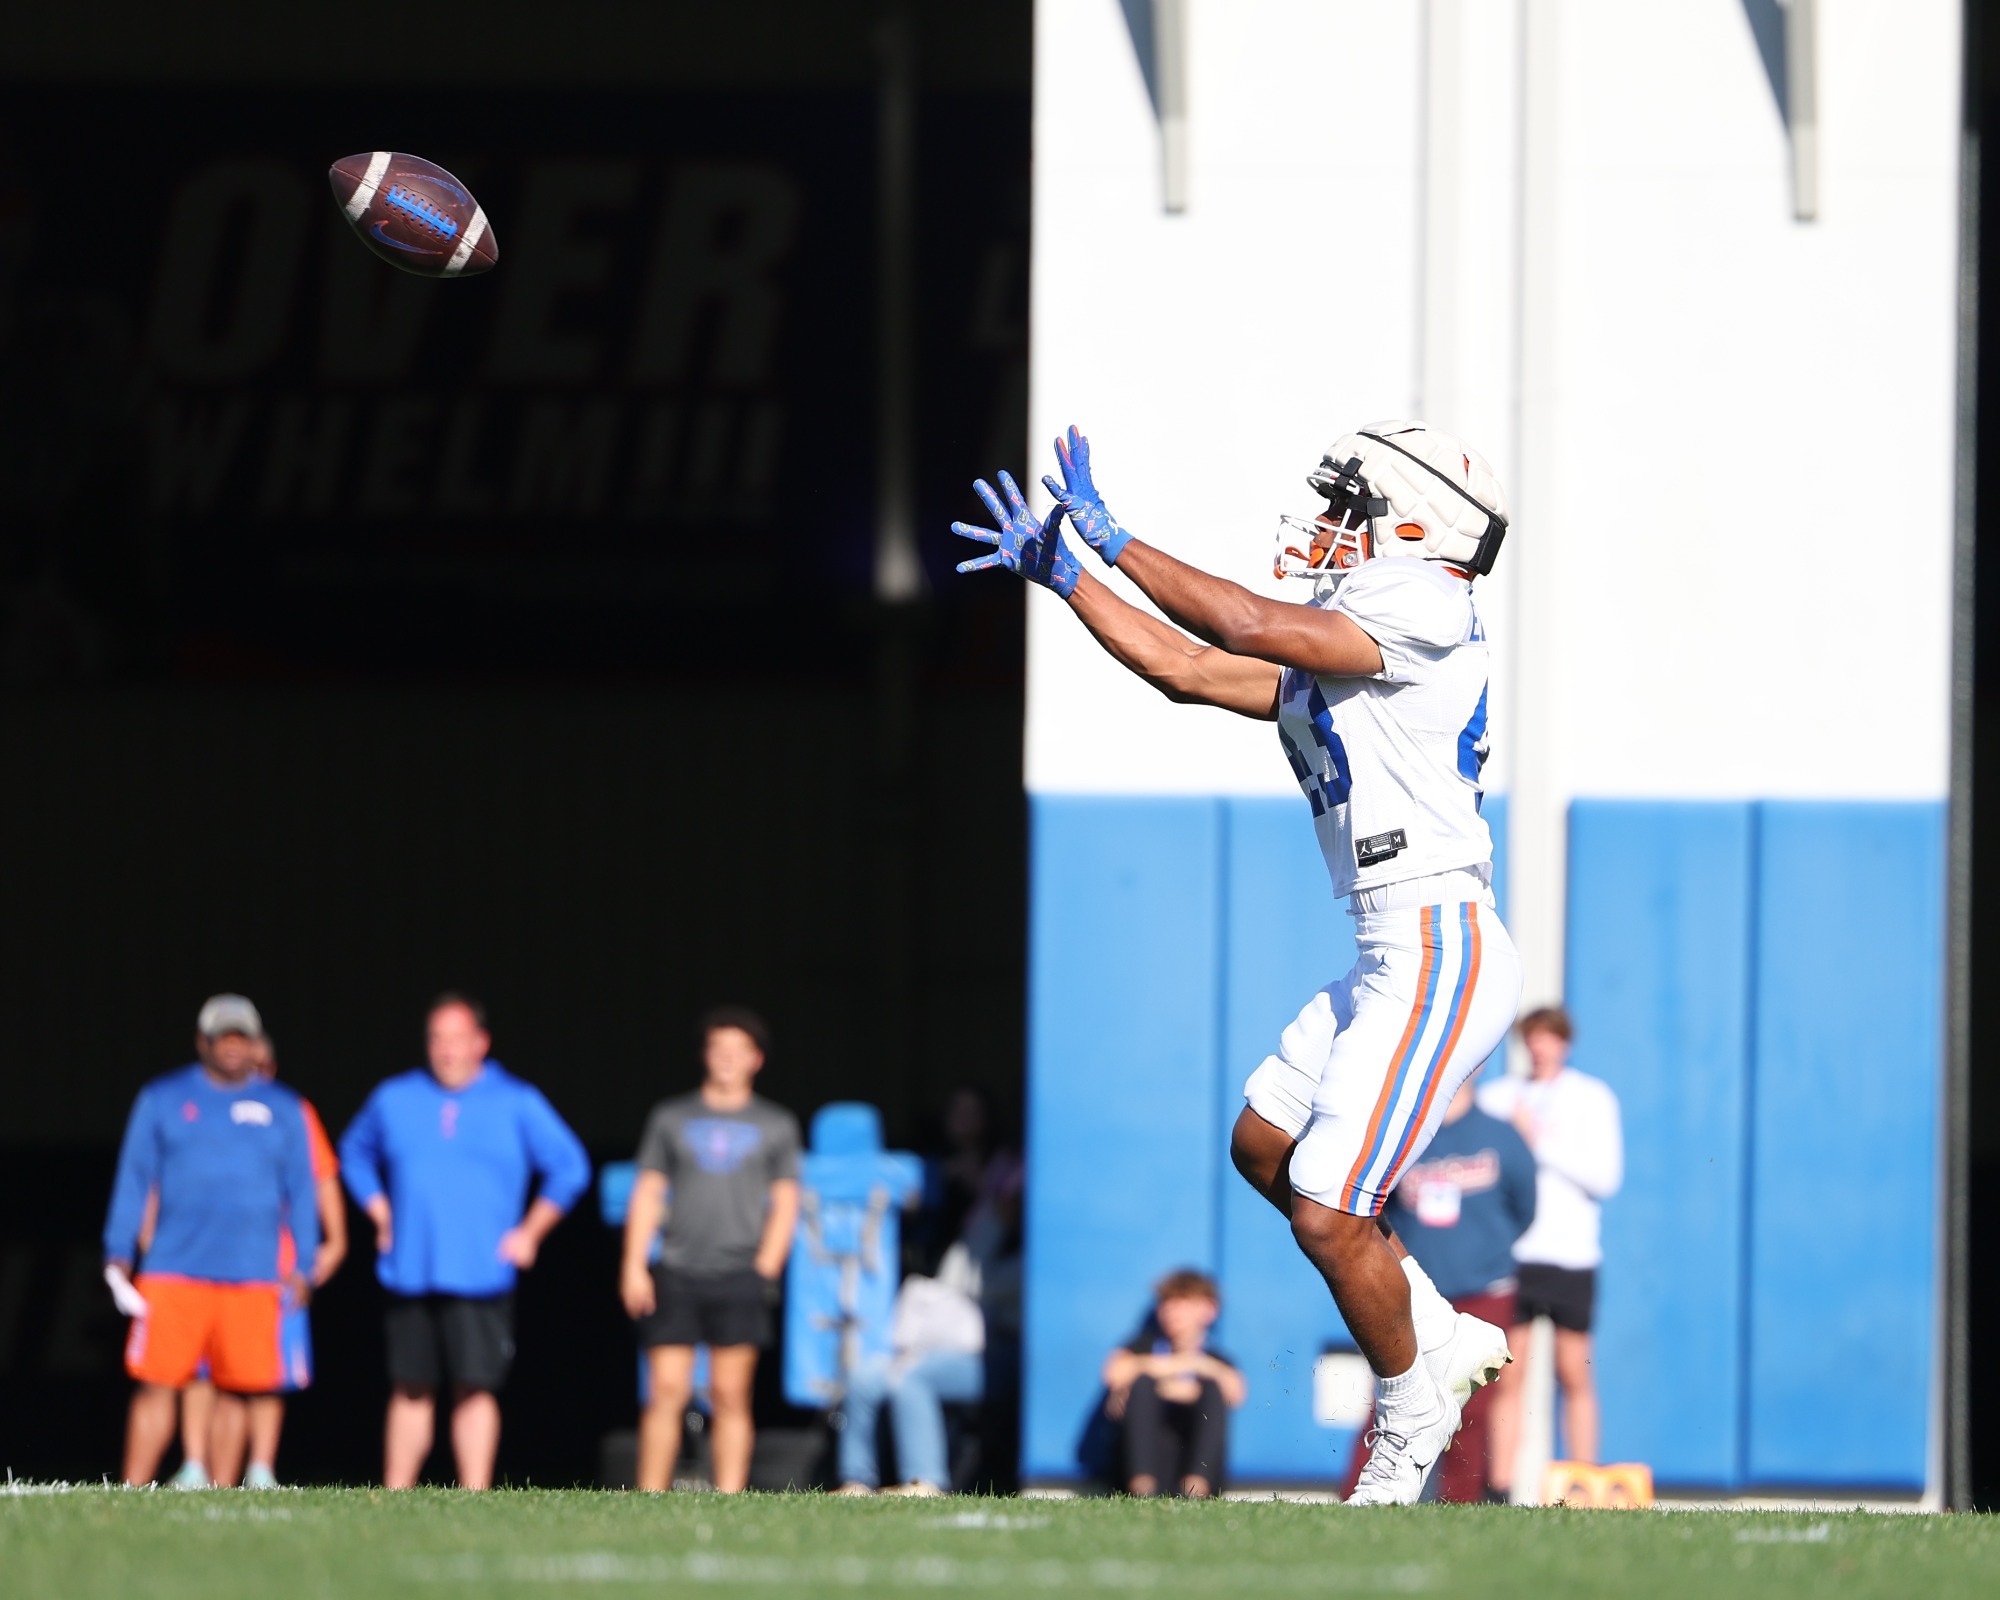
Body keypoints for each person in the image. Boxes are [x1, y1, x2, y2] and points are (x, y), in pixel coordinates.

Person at [953, 422, 1524, 1504]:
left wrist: (1117, 540)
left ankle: (1410, 1413)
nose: (1327, 523)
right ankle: (1433, 1328)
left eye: (1350, 506)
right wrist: (1069, 577)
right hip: (1382, 944)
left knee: (1322, 1204)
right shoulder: (1355, 649)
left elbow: (1246, 620)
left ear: (1417, 525)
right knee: (1263, 1146)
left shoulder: (1427, 602)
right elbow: (1189, 666)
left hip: (1437, 939)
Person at [339, 993, 590, 1490]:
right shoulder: (395, 1097)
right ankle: (397, 1493)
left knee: (474, 1389)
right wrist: (379, 1208)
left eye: (458, 1039)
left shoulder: (516, 1100)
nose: (447, 1050)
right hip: (411, 1268)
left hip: (480, 1272)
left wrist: (530, 1232)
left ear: (481, 1043)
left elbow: (570, 1167)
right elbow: (353, 1152)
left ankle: (474, 1493)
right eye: (437, 1039)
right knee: (410, 1387)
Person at [101, 995, 320, 1487]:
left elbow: (304, 1191)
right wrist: (118, 1254)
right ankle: (130, 1492)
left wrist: (305, 1264)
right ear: (204, 1042)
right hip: (173, 1269)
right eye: (224, 1037)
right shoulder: (163, 1098)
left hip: (253, 1272)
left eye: (242, 1037)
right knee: (157, 1384)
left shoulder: (284, 1108)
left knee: (239, 1389)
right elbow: (134, 1179)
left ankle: (221, 1503)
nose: (234, 1047)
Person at [144, 1034, 348, 1489]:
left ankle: (257, 1469)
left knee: (258, 1378)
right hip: (210, 1264)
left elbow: (322, 1185)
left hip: (272, 1270)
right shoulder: (200, 1111)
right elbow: (165, 1179)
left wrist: (319, 1260)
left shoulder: (291, 1113)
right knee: (203, 1370)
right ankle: (196, 1465)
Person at [619, 1007, 801, 1493]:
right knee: (666, 1392)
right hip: (677, 1269)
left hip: (739, 1271)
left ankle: (730, 1497)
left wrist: (766, 1265)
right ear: (705, 1055)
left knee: (730, 1393)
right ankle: (650, 1496)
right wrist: (635, 1266)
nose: (727, 1060)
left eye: (738, 1051)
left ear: (756, 1060)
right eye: (719, 1049)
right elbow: (648, 1192)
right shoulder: (671, 1118)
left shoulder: (776, 1124)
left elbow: (787, 1201)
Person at [1478, 1005, 1624, 1488]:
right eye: (1533, 1038)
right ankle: (1500, 1488)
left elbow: (1605, 1177)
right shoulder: (1499, 1098)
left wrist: (1536, 1143)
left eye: (1550, 1038)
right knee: (1508, 1377)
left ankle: (1584, 1482)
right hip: (1513, 1255)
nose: (1541, 1048)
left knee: (1574, 1371)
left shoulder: (1592, 1098)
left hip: (1570, 1256)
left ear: (1564, 1044)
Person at [1377, 1077, 1536, 1501]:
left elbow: (1525, 1207)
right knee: (1395, 1392)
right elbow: (1379, 1210)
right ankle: (1372, 1499)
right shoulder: (1403, 1136)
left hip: (1484, 1288)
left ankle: (1460, 1503)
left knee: (1474, 1404)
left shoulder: (1500, 1135)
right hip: (1416, 1294)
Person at [1100, 1270, 1245, 1499]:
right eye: (1166, 1303)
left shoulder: (1216, 1360)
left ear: (1209, 1309)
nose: (1171, 1311)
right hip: (1148, 1454)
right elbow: (1113, 1373)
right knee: (1142, 1385)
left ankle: (1197, 1488)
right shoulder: (1142, 1345)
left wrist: (1188, 1372)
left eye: (1182, 1302)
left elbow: (1236, 1392)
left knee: (1212, 1390)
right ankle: (1142, 1488)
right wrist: (1186, 1369)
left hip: (1191, 1454)